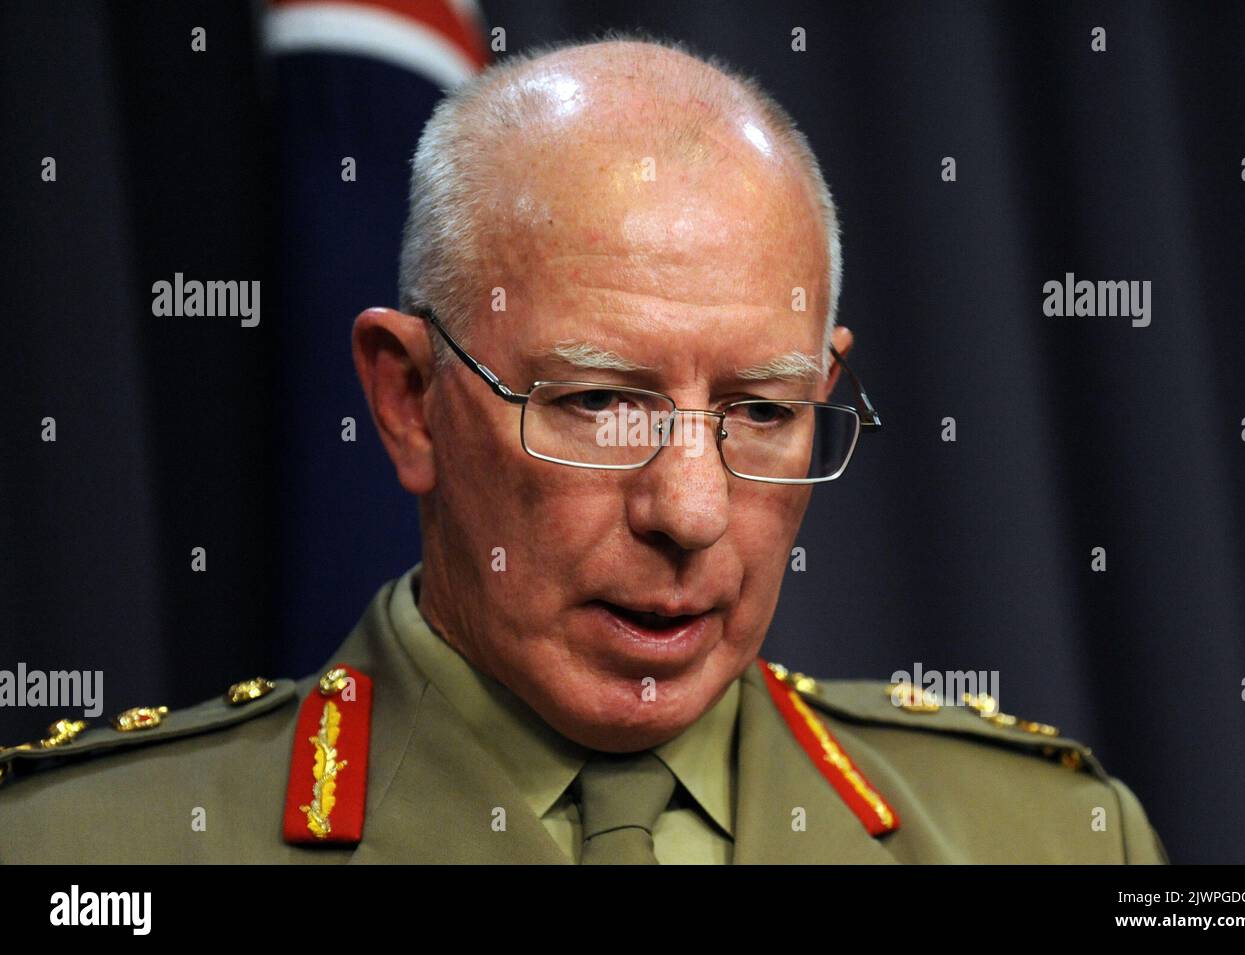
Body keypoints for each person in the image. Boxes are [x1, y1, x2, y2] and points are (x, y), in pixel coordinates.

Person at [0, 36, 1167, 864]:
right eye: (604, 401)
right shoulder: (80, 856)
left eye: (761, 411)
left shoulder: (1057, 840)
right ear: (409, 400)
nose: (691, 509)